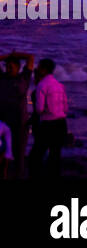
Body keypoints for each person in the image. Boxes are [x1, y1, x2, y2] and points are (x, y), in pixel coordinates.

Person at [30, 58, 68, 179]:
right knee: (55, 155)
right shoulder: (60, 85)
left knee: (36, 155)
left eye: (39, 67)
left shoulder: (41, 85)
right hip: (62, 124)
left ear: (43, 69)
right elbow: (65, 108)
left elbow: (39, 109)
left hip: (48, 124)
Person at [0, 51, 34, 179]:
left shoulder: (23, 78)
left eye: (11, 66)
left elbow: (30, 57)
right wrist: (8, 56)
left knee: (19, 155)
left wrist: (16, 55)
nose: (8, 69)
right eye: (7, 66)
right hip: (3, 123)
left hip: (20, 124)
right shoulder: (1, 77)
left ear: (18, 68)